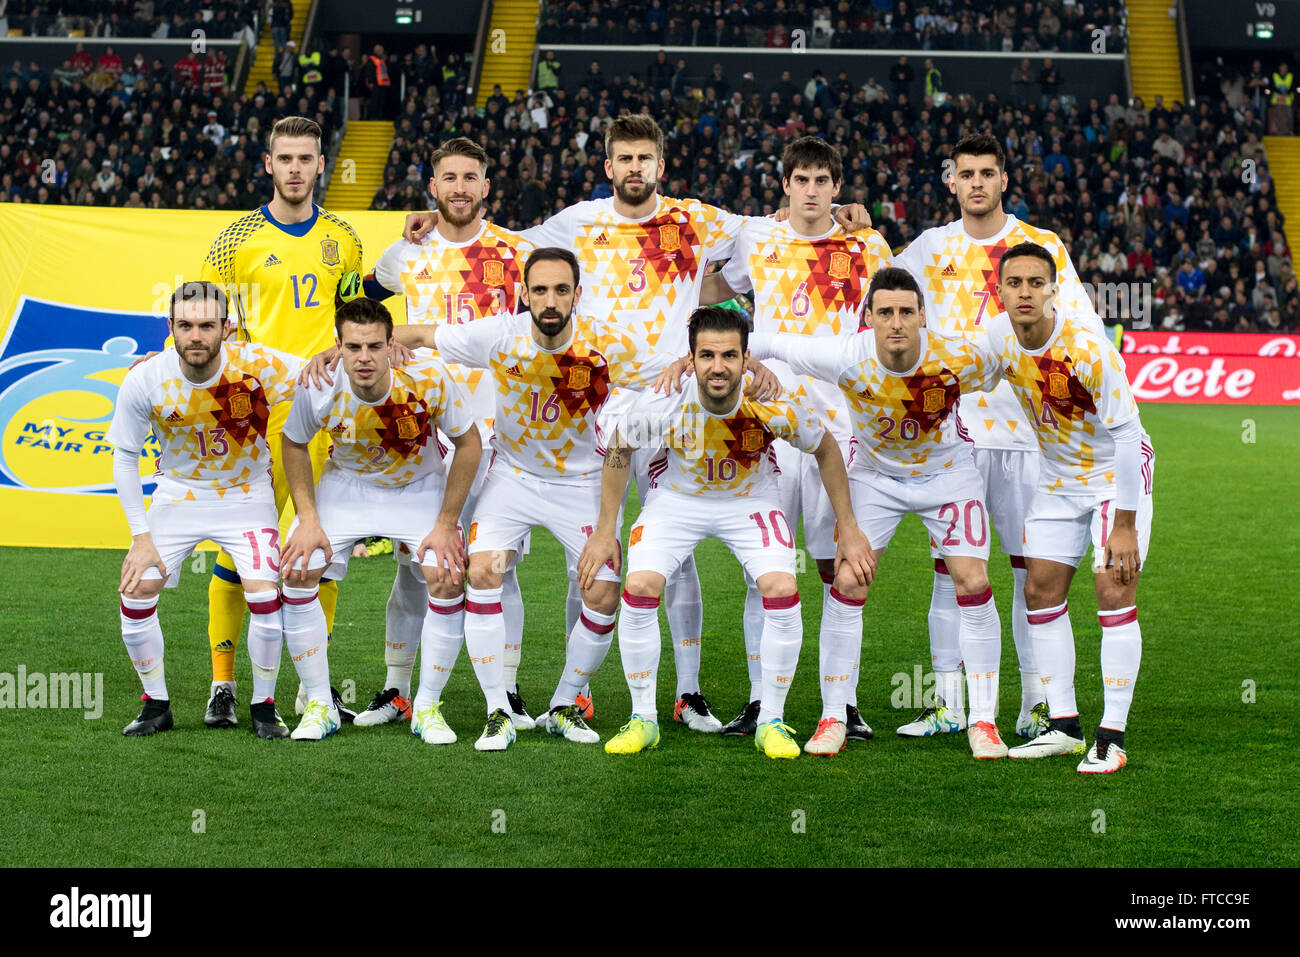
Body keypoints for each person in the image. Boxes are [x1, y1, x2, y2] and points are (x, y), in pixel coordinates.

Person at [404, 114, 868, 732]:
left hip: (677, 398)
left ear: (660, 166)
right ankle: (577, 695)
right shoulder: (577, 222)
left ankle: (689, 690)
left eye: (644, 158)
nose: (634, 169)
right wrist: (437, 220)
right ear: (608, 166)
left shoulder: (694, 220)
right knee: (596, 551)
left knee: (672, 547)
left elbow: (780, 224)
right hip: (592, 404)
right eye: (623, 159)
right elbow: (504, 240)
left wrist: (843, 213)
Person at [741, 268, 1010, 758]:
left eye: (907, 311)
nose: (896, 323)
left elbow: (1013, 359)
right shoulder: (847, 357)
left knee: (972, 581)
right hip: (874, 477)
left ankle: (984, 721)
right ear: (868, 319)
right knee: (848, 582)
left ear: (923, 316)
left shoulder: (957, 356)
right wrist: (713, 358)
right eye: (885, 312)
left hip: (948, 474)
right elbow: (772, 341)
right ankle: (832, 716)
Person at [580, 307, 872, 759]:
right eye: (707, 355)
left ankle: (771, 719)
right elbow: (620, 449)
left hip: (749, 500)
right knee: (638, 586)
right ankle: (644, 719)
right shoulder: (663, 400)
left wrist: (849, 529)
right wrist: (604, 530)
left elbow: (826, 449)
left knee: (782, 587)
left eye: (730, 356)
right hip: (677, 500)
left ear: (746, 358)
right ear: (691, 359)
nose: (718, 367)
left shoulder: (772, 401)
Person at [389, 248, 652, 744]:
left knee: (603, 590)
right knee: (483, 570)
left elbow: (662, 391)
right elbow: (419, 334)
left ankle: (564, 703)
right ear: (524, 294)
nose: (549, 301)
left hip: (583, 481)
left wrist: (604, 528)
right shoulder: (499, 335)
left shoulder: (612, 346)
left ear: (577, 295)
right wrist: (356, 347)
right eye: (540, 290)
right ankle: (499, 711)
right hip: (512, 476)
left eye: (560, 290)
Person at [893, 133, 1105, 741]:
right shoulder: (930, 248)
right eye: (967, 173)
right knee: (950, 570)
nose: (978, 182)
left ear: (1005, 180)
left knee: (1027, 572)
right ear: (951, 181)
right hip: (953, 438)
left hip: (1025, 439)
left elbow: (1082, 330)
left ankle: (1036, 705)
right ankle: (948, 704)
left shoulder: (1042, 248)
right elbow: (876, 289)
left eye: (988, 172)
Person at [697, 136, 893, 739]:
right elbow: (705, 294)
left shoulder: (867, 243)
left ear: (838, 188)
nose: (811, 190)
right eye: (800, 179)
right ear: (785, 186)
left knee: (843, 568)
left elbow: (903, 313)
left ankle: (843, 704)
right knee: (768, 566)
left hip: (845, 426)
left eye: (822, 181)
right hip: (770, 427)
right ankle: (762, 700)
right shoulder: (758, 238)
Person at [345, 137, 536, 729]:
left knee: (493, 564)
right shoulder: (406, 253)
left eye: (469, 177)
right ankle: (398, 691)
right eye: (447, 178)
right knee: (411, 563)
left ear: (486, 186)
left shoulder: (518, 253)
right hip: (420, 432)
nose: (458, 188)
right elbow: (357, 303)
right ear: (433, 188)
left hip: (496, 429)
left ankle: (503, 691)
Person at [198, 116, 363, 728]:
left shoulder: (343, 239)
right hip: (252, 415)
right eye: (284, 158)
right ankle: (223, 685)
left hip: (326, 414)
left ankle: (311, 689)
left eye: (306, 159)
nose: (295, 168)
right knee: (240, 549)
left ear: (322, 165)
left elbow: (355, 320)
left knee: (320, 549)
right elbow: (209, 319)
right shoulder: (234, 239)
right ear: (268, 164)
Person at [279, 299, 482, 742]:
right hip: (347, 486)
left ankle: (426, 707)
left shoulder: (427, 376)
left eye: (375, 346)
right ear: (338, 346)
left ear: (393, 345)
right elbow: (293, 444)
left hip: (418, 486)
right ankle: (319, 704)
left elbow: (469, 444)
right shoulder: (318, 383)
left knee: (445, 576)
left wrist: (447, 522)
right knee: (297, 570)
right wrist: (308, 518)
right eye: (353, 347)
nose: (364, 357)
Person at [108, 283, 302, 739]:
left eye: (207, 326)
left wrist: (373, 351)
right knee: (136, 591)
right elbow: (124, 456)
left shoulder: (259, 365)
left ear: (226, 329)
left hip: (246, 495)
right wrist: (140, 536)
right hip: (179, 496)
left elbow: (322, 371)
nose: (196, 336)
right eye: (186, 325)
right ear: (171, 328)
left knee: (263, 595)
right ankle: (156, 704)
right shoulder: (145, 378)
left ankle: (263, 706)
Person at [989, 243, 1155, 773]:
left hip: (1114, 477)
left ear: (1053, 291)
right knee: (1040, 590)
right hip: (1058, 478)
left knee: (1113, 587)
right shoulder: (996, 337)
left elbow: (1129, 437)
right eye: (1014, 283)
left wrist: (1124, 524)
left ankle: (1112, 734)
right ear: (1000, 291)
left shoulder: (1087, 347)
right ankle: (1063, 725)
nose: (1025, 292)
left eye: (1036, 283)